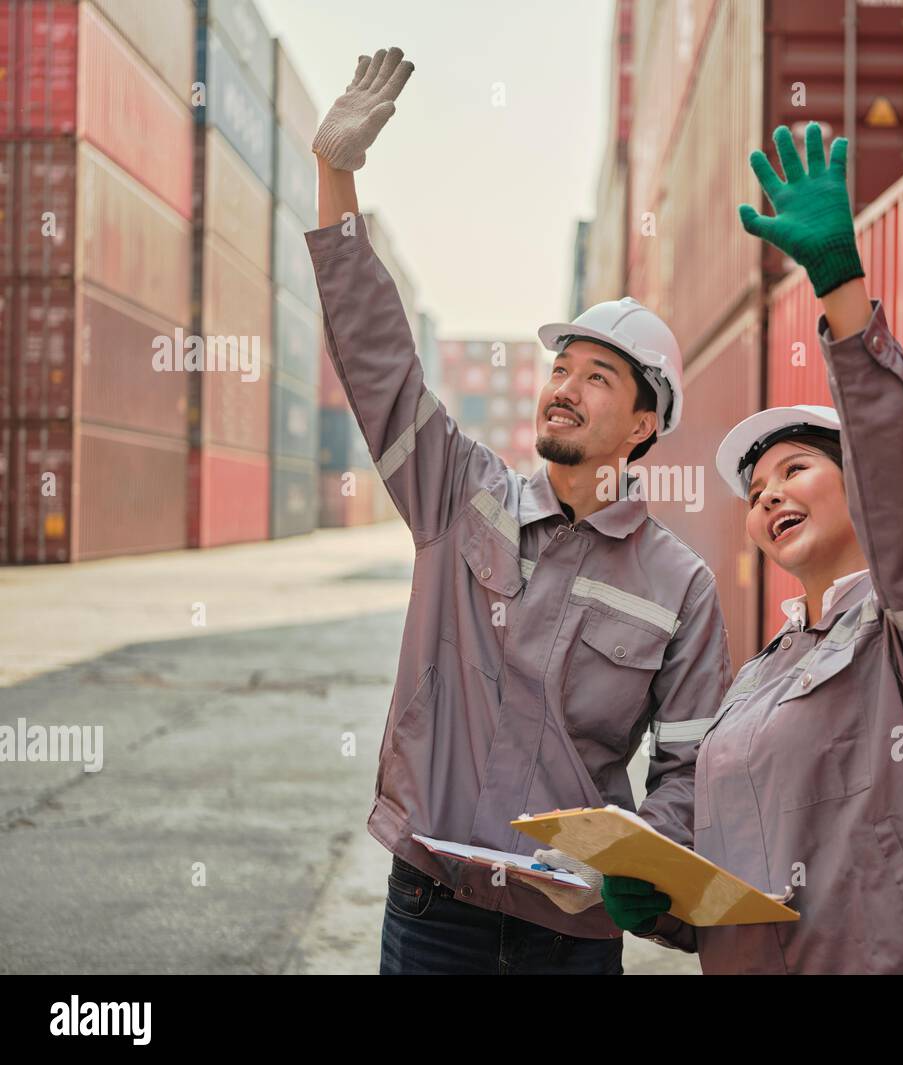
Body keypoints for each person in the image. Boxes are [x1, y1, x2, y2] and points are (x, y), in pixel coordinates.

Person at [307, 47, 732, 974]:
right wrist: (335, 178)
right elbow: (381, 366)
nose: (564, 390)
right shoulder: (462, 500)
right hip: (432, 916)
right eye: (560, 369)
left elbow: (691, 774)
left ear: (645, 422)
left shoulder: (680, 587)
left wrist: (626, 866)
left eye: (598, 377)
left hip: (569, 939)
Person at [601, 124, 903, 973]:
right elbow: (735, 881)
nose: (770, 492)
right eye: (757, 488)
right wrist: (660, 900)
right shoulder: (754, 684)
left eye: (797, 467)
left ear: (861, 490)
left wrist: (841, 289)